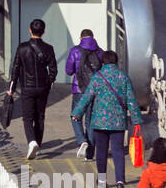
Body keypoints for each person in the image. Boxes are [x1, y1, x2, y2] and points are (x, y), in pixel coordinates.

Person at [71, 50, 142, 188]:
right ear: (116, 61)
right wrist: (136, 120)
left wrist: (77, 113)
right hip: (118, 122)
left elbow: (87, 96)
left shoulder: (98, 77)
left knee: (101, 151)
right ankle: (120, 181)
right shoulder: (124, 77)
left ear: (103, 62)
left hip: (99, 122)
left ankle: (102, 180)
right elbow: (131, 101)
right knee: (118, 151)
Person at [7, 18, 57, 160]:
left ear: (30, 30)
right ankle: (38, 146)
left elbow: (16, 68)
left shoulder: (22, 48)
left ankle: (32, 142)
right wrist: (49, 82)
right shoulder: (49, 48)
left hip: (27, 87)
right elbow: (53, 69)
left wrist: (11, 87)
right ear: (44, 31)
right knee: (40, 117)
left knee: (27, 117)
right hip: (42, 88)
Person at [65, 29, 104, 158]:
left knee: (75, 117)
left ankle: (82, 141)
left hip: (79, 90)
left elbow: (69, 71)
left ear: (80, 38)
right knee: (90, 121)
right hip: (95, 91)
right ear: (93, 38)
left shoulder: (75, 51)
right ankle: (90, 155)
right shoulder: (99, 52)